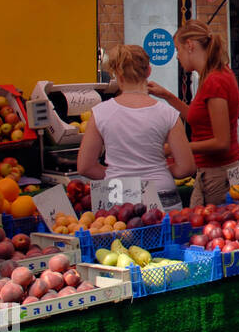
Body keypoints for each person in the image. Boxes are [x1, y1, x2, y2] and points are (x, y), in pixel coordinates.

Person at [77, 45, 195, 209]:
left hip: (116, 195)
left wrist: (117, 175)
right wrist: (161, 171)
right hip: (162, 195)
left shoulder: (100, 113)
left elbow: (84, 166)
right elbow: (186, 167)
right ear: (148, 71)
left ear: (118, 75)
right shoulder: (168, 113)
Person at [148, 19, 239, 206]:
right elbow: (197, 117)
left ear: (189, 46)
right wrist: (167, 96)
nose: (176, 56)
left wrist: (176, 147)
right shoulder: (214, 75)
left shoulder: (214, 80)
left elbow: (221, 142)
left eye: (178, 49)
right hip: (214, 172)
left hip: (218, 175)